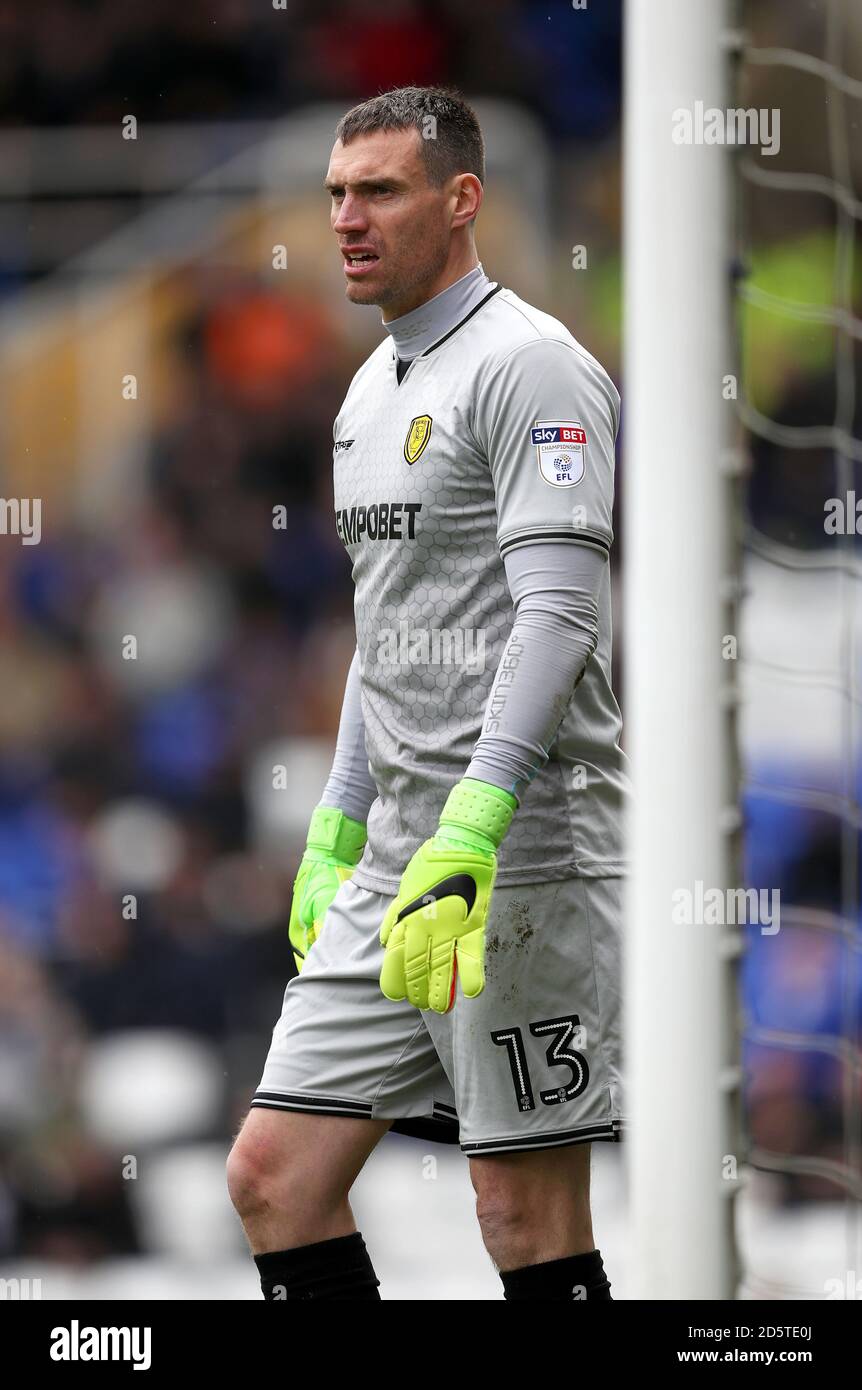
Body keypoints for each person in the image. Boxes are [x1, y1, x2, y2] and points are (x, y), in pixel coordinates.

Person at [227, 85, 629, 1302]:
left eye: (381, 191)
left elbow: (561, 613)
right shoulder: (365, 392)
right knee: (274, 1177)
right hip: (395, 860)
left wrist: (472, 826)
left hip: (521, 854)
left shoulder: (531, 369)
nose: (347, 219)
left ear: (462, 201)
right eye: (338, 194)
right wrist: (339, 823)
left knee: (520, 1210)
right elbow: (387, 633)